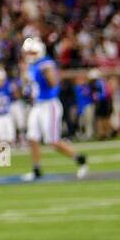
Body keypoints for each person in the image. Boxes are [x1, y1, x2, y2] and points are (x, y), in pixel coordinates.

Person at [21, 38, 88, 180]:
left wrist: (45, 74)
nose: (28, 54)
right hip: (37, 105)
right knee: (32, 137)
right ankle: (36, 169)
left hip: (49, 105)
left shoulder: (45, 63)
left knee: (53, 141)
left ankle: (80, 159)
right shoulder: (32, 65)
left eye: (31, 52)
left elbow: (53, 83)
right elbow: (30, 87)